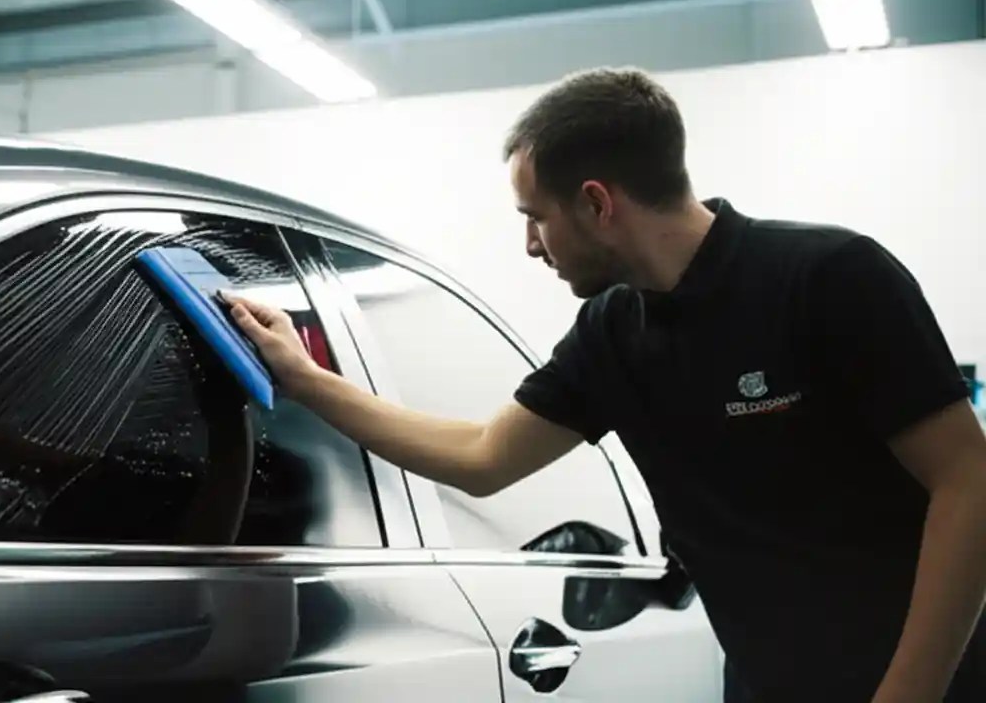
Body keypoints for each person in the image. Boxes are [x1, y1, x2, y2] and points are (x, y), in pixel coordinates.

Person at [221, 66, 986, 702]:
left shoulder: (829, 278)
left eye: (535, 218)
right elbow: (483, 458)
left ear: (596, 202)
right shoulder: (612, 335)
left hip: (928, 681)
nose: (529, 245)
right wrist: (306, 379)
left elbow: (969, 481)